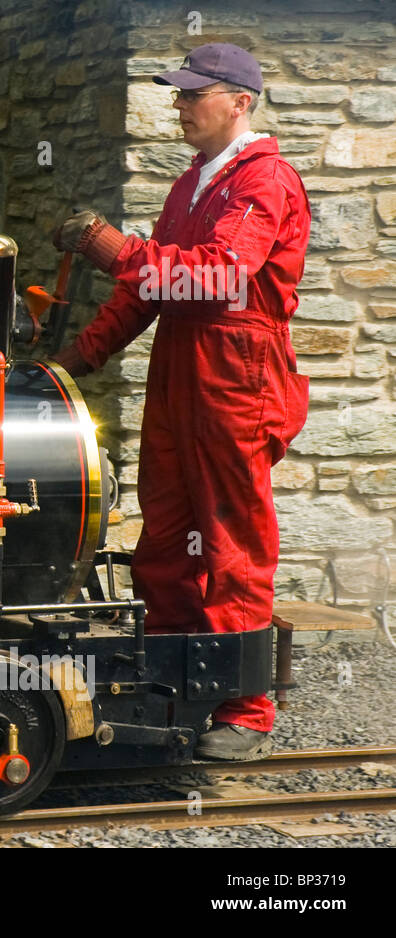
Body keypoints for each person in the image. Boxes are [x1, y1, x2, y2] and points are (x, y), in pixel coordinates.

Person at [49, 43, 311, 761]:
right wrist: (76, 359)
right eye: (179, 93)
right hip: (183, 374)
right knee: (165, 533)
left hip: (237, 376)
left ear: (240, 102)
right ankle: (168, 683)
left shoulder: (266, 181)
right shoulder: (193, 185)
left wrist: (113, 247)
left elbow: (220, 276)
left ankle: (246, 710)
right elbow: (151, 290)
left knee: (232, 542)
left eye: (194, 93)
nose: (180, 105)